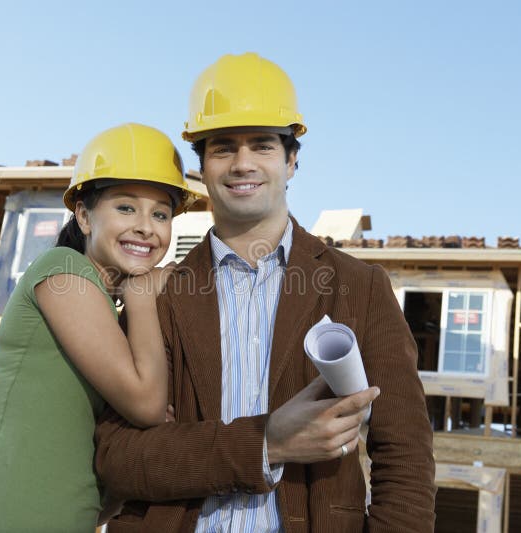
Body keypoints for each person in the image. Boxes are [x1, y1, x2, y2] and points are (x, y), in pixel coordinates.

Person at [95, 53, 436, 532]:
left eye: (262, 146)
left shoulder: (360, 287)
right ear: (203, 165)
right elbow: (117, 458)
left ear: (292, 160)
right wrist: (266, 442)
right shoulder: (158, 294)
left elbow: (406, 458)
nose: (242, 164)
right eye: (222, 148)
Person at [0, 123, 198, 532]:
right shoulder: (62, 272)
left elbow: (92, 488)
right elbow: (147, 404)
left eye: (160, 213)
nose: (146, 226)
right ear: (84, 216)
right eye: (125, 208)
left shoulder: (112, 317)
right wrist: (143, 295)